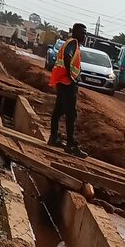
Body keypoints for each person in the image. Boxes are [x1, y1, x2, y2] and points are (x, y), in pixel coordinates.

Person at [49, 22, 88, 158]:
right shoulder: (73, 43)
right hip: (67, 84)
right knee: (71, 114)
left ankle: (54, 137)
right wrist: (72, 77)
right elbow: (67, 56)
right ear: (75, 32)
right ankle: (71, 145)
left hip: (62, 82)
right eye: (83, 33)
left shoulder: (70, 43)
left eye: (85, 33)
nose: (85, 35)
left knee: (58, 110)